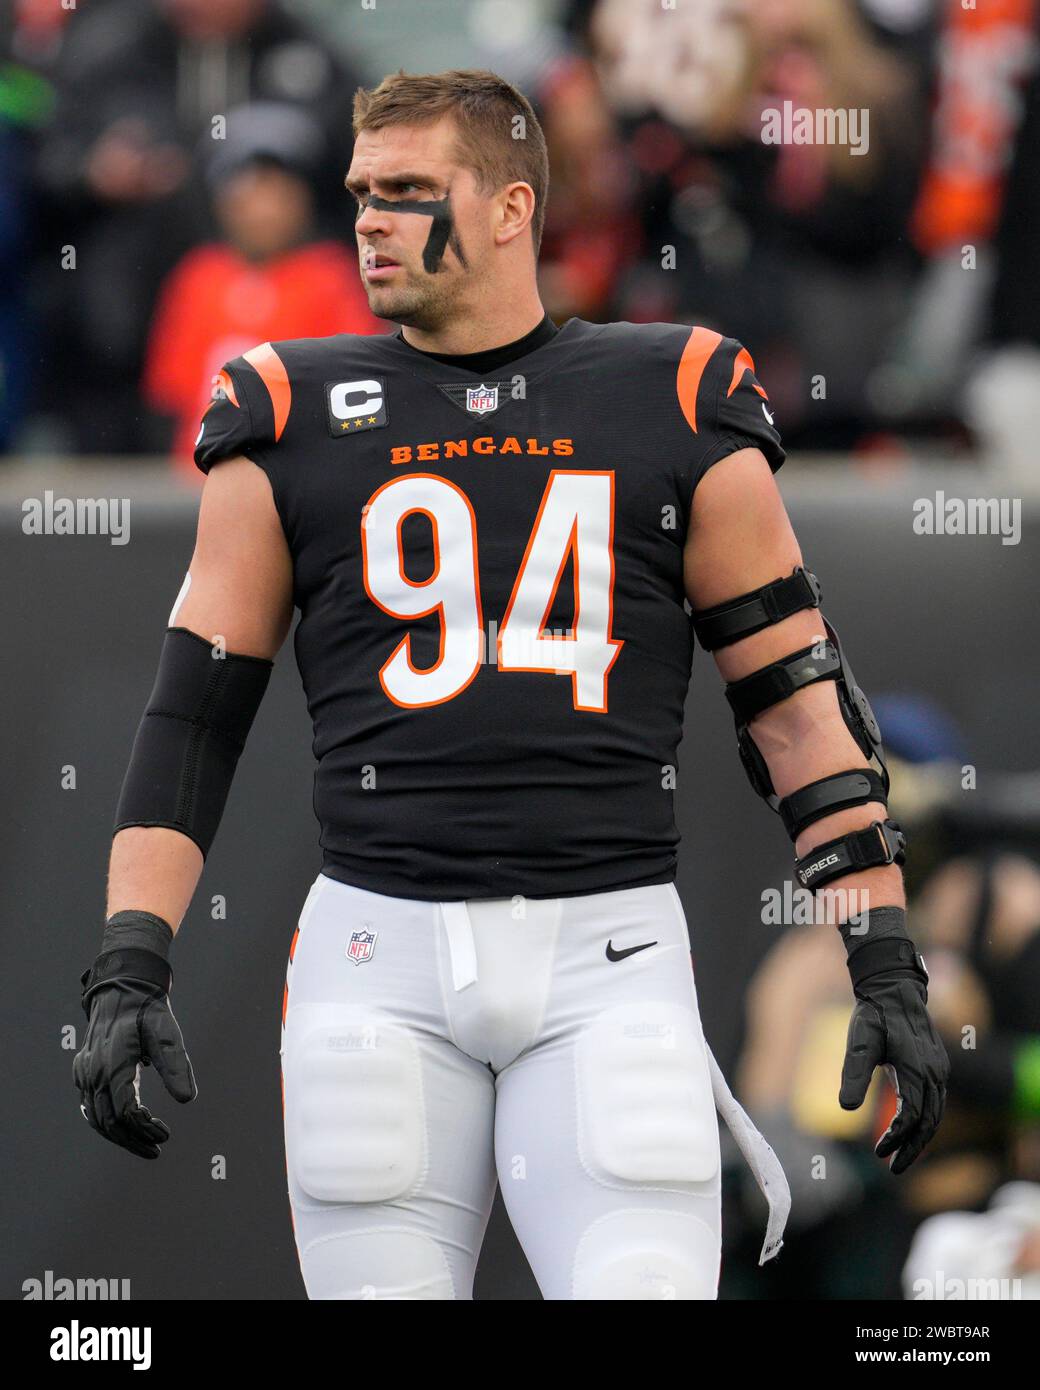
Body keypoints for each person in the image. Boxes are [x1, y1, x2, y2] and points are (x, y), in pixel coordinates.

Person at [73, 69, 948, 1301]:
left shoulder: (673, 392)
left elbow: (795, 702)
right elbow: (193, 721)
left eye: (409, 193)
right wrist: (127, 956)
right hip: (378, 958)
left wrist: (884, 955)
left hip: (612, 950)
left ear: (509, 207)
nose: (369, 221)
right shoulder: (288, 407)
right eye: (362, 194)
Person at [142, 102, 384, 480]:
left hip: (301, 479)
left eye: (279, 191)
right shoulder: (199, 277)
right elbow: (172, 395)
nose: (263, 210)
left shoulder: (331, 276)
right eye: (248, 193)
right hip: (200, 478)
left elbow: (356, 391)